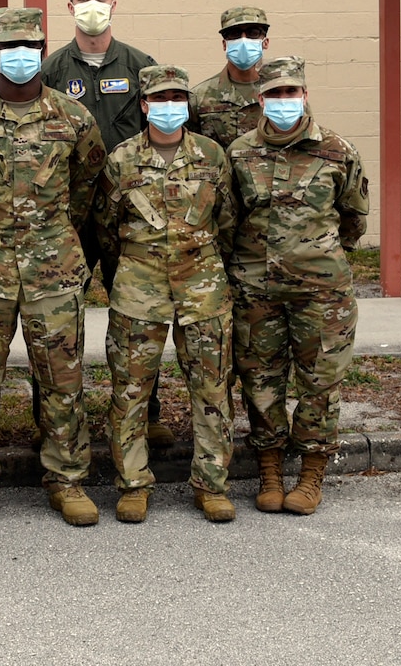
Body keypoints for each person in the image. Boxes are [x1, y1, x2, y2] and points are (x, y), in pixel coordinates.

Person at [0, 8, 107, 529]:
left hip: (53, 268)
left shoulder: (73, 118)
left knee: (62, 379)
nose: (20, 55)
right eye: (9, 47)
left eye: (29, 46)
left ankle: (67, 479)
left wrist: (51, 232)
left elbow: (86, 186)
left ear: (42, 49)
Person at [38, 0, 174, 447]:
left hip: (129, 216)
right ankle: (53, 422)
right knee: (55, 321)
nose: (92, 6)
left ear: (114, 3)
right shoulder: (51, 70)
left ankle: (145, 413)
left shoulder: (141, 66)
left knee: (138, 318)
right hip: (68, 218)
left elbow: (164, 133)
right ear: (69, 5)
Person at [94, 65, 237, 524]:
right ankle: (133, 485)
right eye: (160, 99)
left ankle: (211, 485)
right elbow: (106, 226)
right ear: (143, 105)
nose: (169, 107)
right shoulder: (121, 159)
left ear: (188, 104)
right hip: (140, 286)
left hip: (203, 287)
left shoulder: (212, 155)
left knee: (212, 388)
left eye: (177, 98)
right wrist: (132, 265)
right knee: (130, 390)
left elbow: (228, 220)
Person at [227, 56, 370, 515]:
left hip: (322, 293)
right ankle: (269, 470)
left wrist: (319, 257)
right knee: (260, 381)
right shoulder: (239, 152)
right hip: (256, 290)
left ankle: (311, 474)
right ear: (260, 98)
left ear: (305, 95)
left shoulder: (337, 150)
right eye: (274, 93)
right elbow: (229, 217)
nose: (283, 100)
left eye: (291, 92)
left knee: (320, 383)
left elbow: (353, 217)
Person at [190, 6, 272, 150]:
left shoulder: (283, 93)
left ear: (265, 42)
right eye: (234, 34)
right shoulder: (199, 97)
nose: (243, 40)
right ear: (224, 44)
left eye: (253, 33)